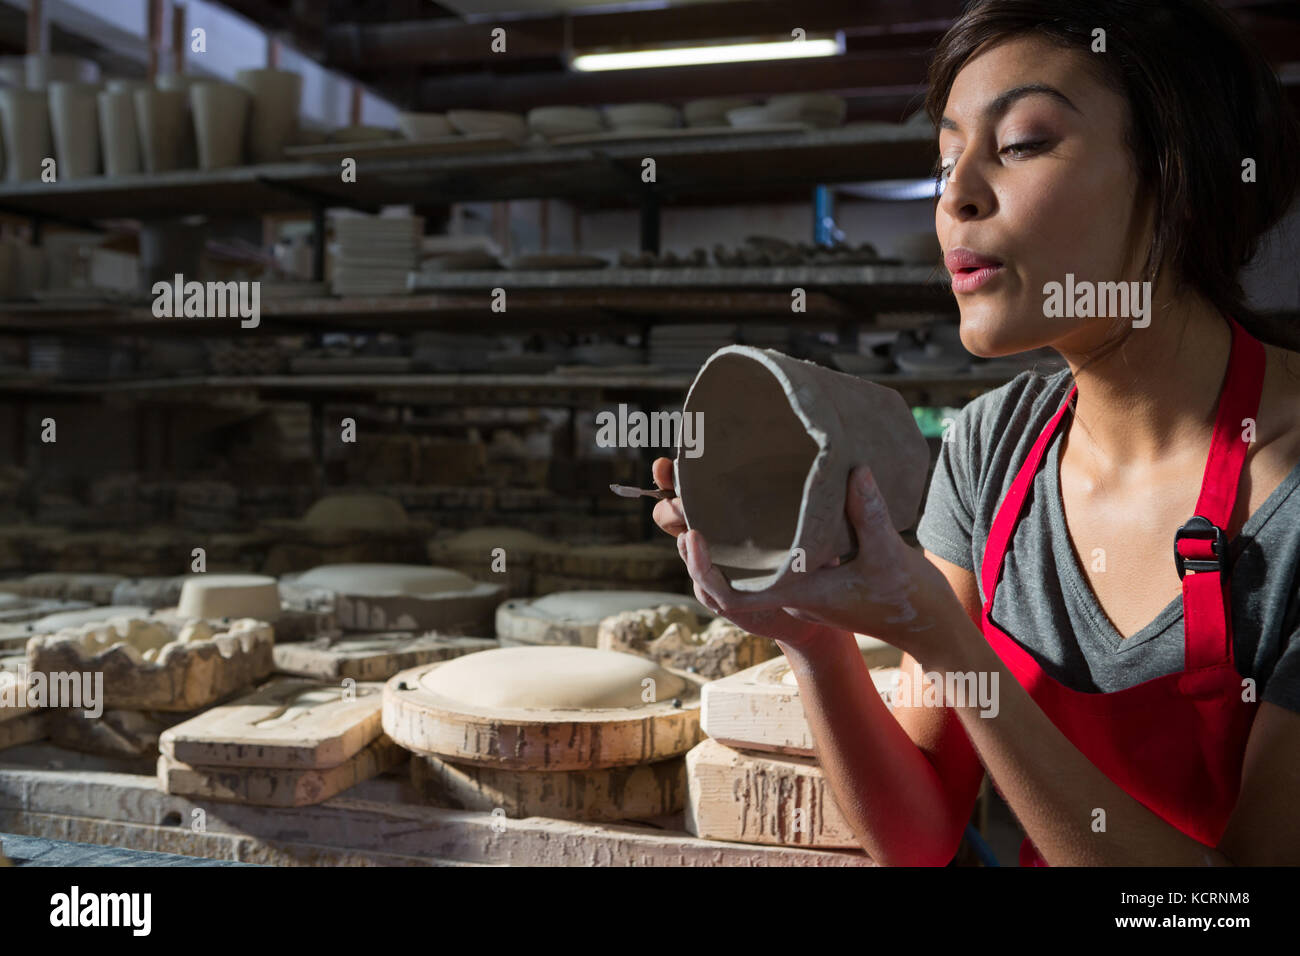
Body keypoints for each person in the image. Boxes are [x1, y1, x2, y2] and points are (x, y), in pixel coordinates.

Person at [652, 0, 1300, 866]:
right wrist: (812, 638)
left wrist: (946, 640)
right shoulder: (993, 449)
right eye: (947, 154)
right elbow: (919, 837)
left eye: (1023, 142)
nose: (953, 196)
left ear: (1178, 175)